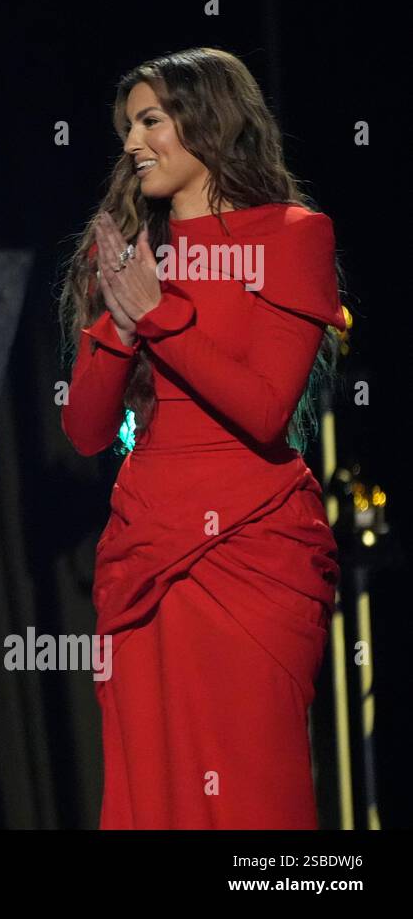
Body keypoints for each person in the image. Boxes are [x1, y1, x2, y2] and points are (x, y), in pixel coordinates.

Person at [59, 47, 347, 828]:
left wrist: (159, 315)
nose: (131, 142)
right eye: (127, 126)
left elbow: (263, 410)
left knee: (258, 787)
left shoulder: (293, 235)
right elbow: (86, 431)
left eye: (150, 120)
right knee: (159, 789)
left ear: (210, 120)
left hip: (251, 547)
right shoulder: (129, 253)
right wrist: (121, 319)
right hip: (147, 549)